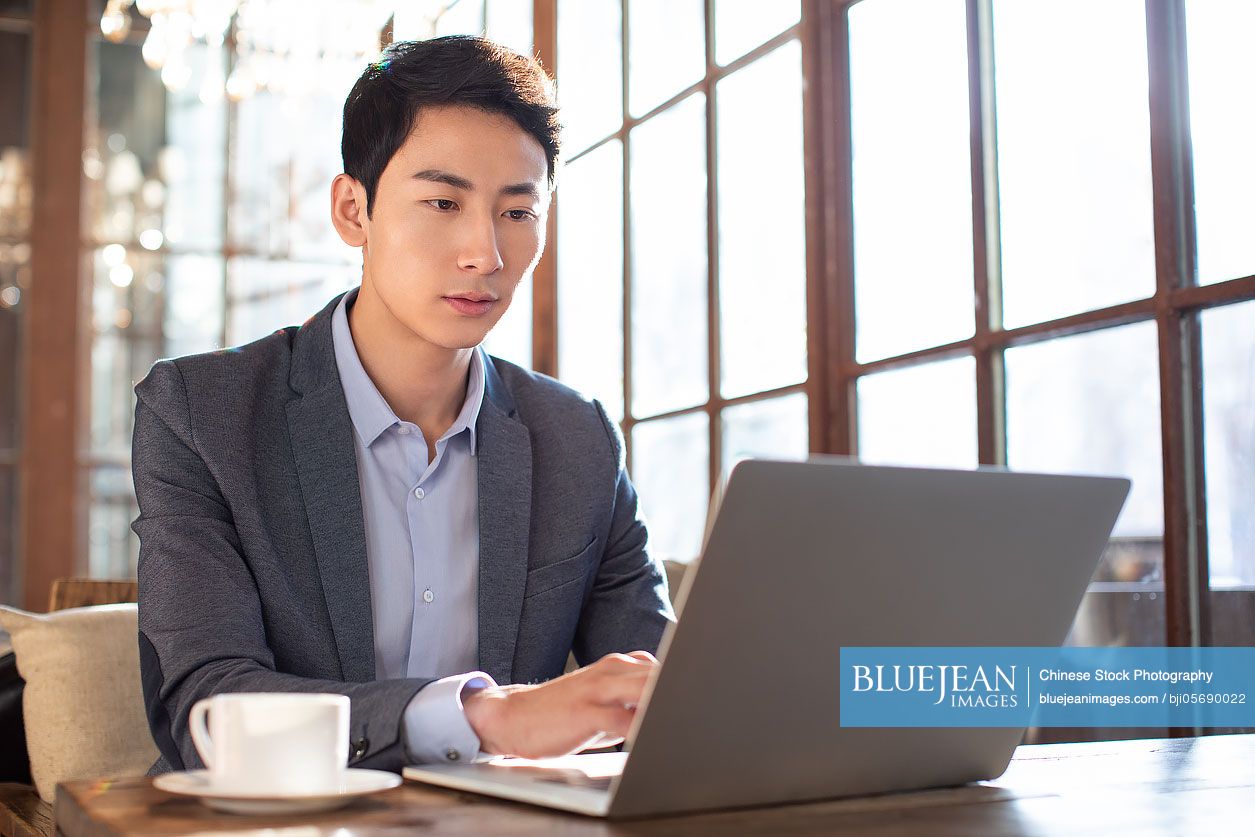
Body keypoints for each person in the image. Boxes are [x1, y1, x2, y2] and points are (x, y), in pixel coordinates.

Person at [132, 35, 674, 774]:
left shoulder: (575, 436)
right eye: (442, 202)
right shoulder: (201, 412)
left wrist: (874, 693)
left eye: (517, 212)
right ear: (353, 211)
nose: (484, 253)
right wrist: (488, 717)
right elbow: (207, 710)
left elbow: (667, 693)